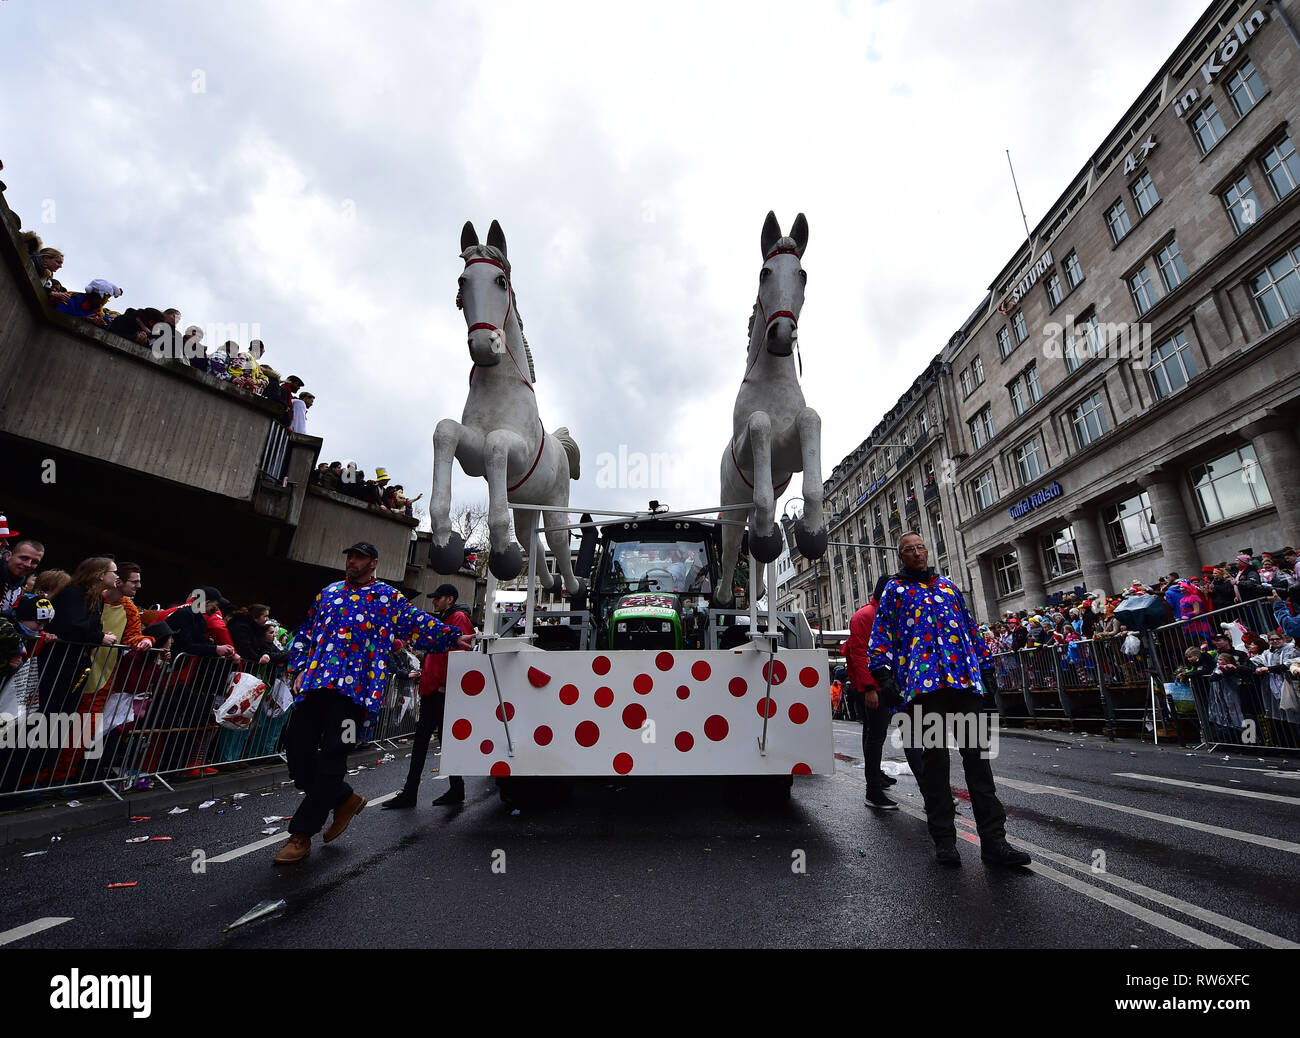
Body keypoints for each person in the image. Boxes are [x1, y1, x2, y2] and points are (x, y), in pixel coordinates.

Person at [276, 543, 472, 864]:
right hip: (316, 686)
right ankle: (344, 798)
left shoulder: (386, 597)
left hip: (357, 695)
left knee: (333, 757)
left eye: (359, 557)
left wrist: (452, 637)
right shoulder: (328, 593)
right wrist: (297, 669)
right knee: (297, 752)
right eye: (349, 557)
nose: (352, 562)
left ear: (374, 563)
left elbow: (416, 622)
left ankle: (301, 835)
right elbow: (305, 634)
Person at [868, 532, 1029, 868]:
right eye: (908, 549)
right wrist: (883, 677)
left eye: (920, 547)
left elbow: (971, 630)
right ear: (901, 556)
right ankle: (944, 842)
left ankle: (994, 842)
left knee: (978, 765)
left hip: (963, 684)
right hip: (926, 691)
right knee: (936, 767)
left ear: (927, 551)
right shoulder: (895, 591)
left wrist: (986, 670)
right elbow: (880, 636)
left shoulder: (947, 588)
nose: (916, 553)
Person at [384, 583, 475, 809]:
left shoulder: (458, 618)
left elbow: (456, 654)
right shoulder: (446, 619)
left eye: (438, 597)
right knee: (432, 741)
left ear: (450, 599)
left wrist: (444, 684)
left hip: (440, 690)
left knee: (430, 741)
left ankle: (416, 792)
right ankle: (448, 789)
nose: (434, 601)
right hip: (433, 688)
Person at [846, 575, 925, 812]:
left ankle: (930, 790)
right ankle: (873, 790)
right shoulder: (864, 616)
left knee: (911, 734)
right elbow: (860, 654)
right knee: (876, 735)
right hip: (876, 686)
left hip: (899, 685)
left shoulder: (898, 613)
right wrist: (869, 688)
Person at [1, 537, 44, 613]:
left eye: (34, 562)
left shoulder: (19, 588)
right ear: (8, 556)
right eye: (24, 558)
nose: (28, 564)